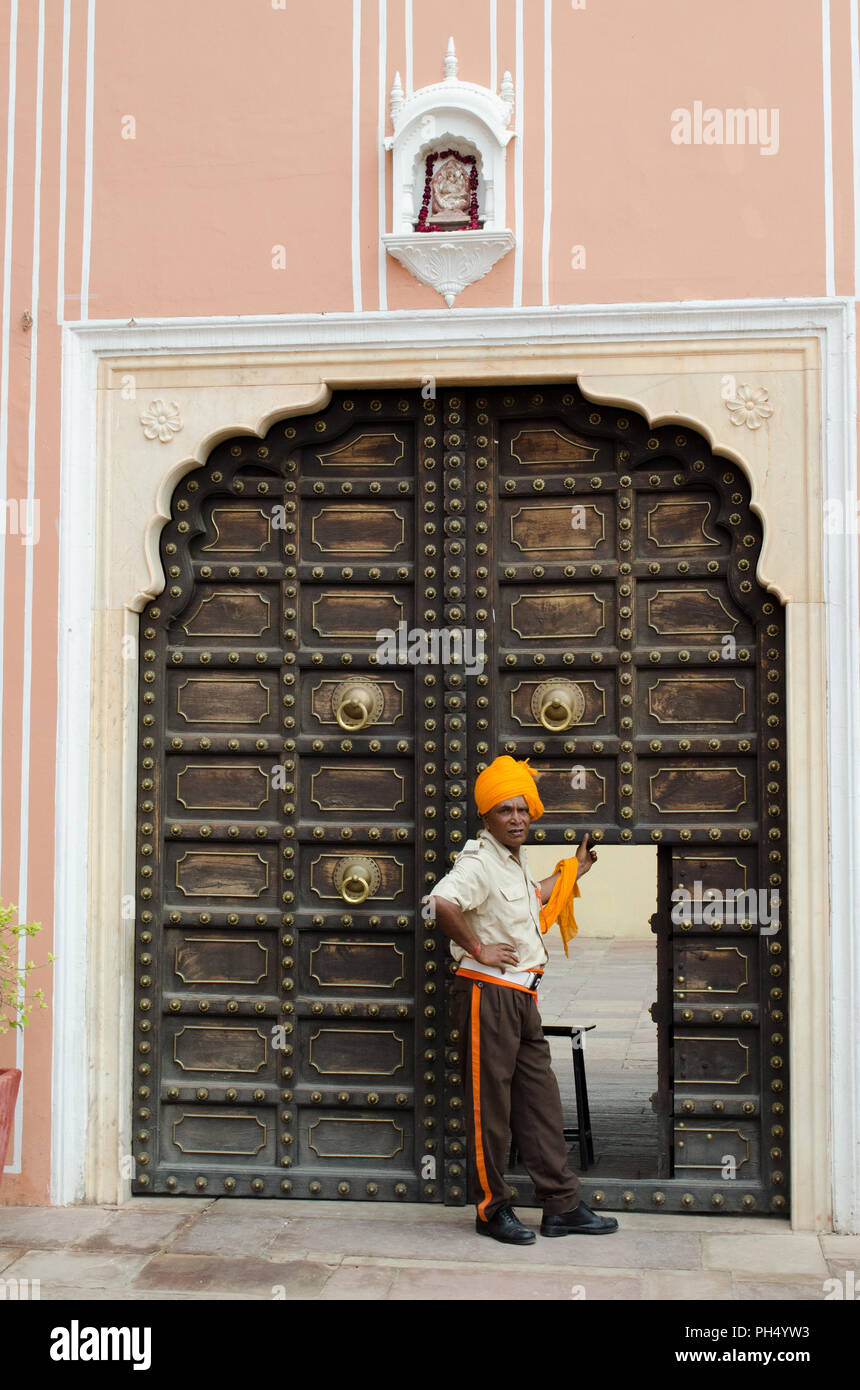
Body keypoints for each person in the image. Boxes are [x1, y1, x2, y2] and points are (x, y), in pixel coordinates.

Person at [428, 755, 619, 1244]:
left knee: (540, 1103)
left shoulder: (512, 861)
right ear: (486, 817)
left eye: (522, 810)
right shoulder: (478, 862)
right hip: (486, 995)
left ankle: (561, 1206)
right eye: (505, 811)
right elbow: (440, 903)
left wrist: (575, 870)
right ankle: (493, 1210)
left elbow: (532, 898)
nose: (517, 818)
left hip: (521, 998)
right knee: (490, 1111)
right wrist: (477, 947)